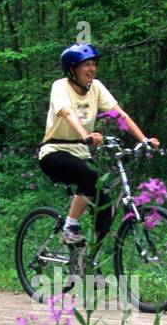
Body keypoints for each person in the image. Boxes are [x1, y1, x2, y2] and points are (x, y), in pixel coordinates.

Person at [37, 43, 159, 246]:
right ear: (72, 69)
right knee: (91, 176)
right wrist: (86, 136)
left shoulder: (97, 87)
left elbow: (121, 115)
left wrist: (144, 139)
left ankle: (90, 258)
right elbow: (68, 113)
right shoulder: (60, 86)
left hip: (81, 154)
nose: (92, 69)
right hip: (54, 152)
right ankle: (70, 227)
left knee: (105, 204)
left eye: (94, 64)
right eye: (86, 65)